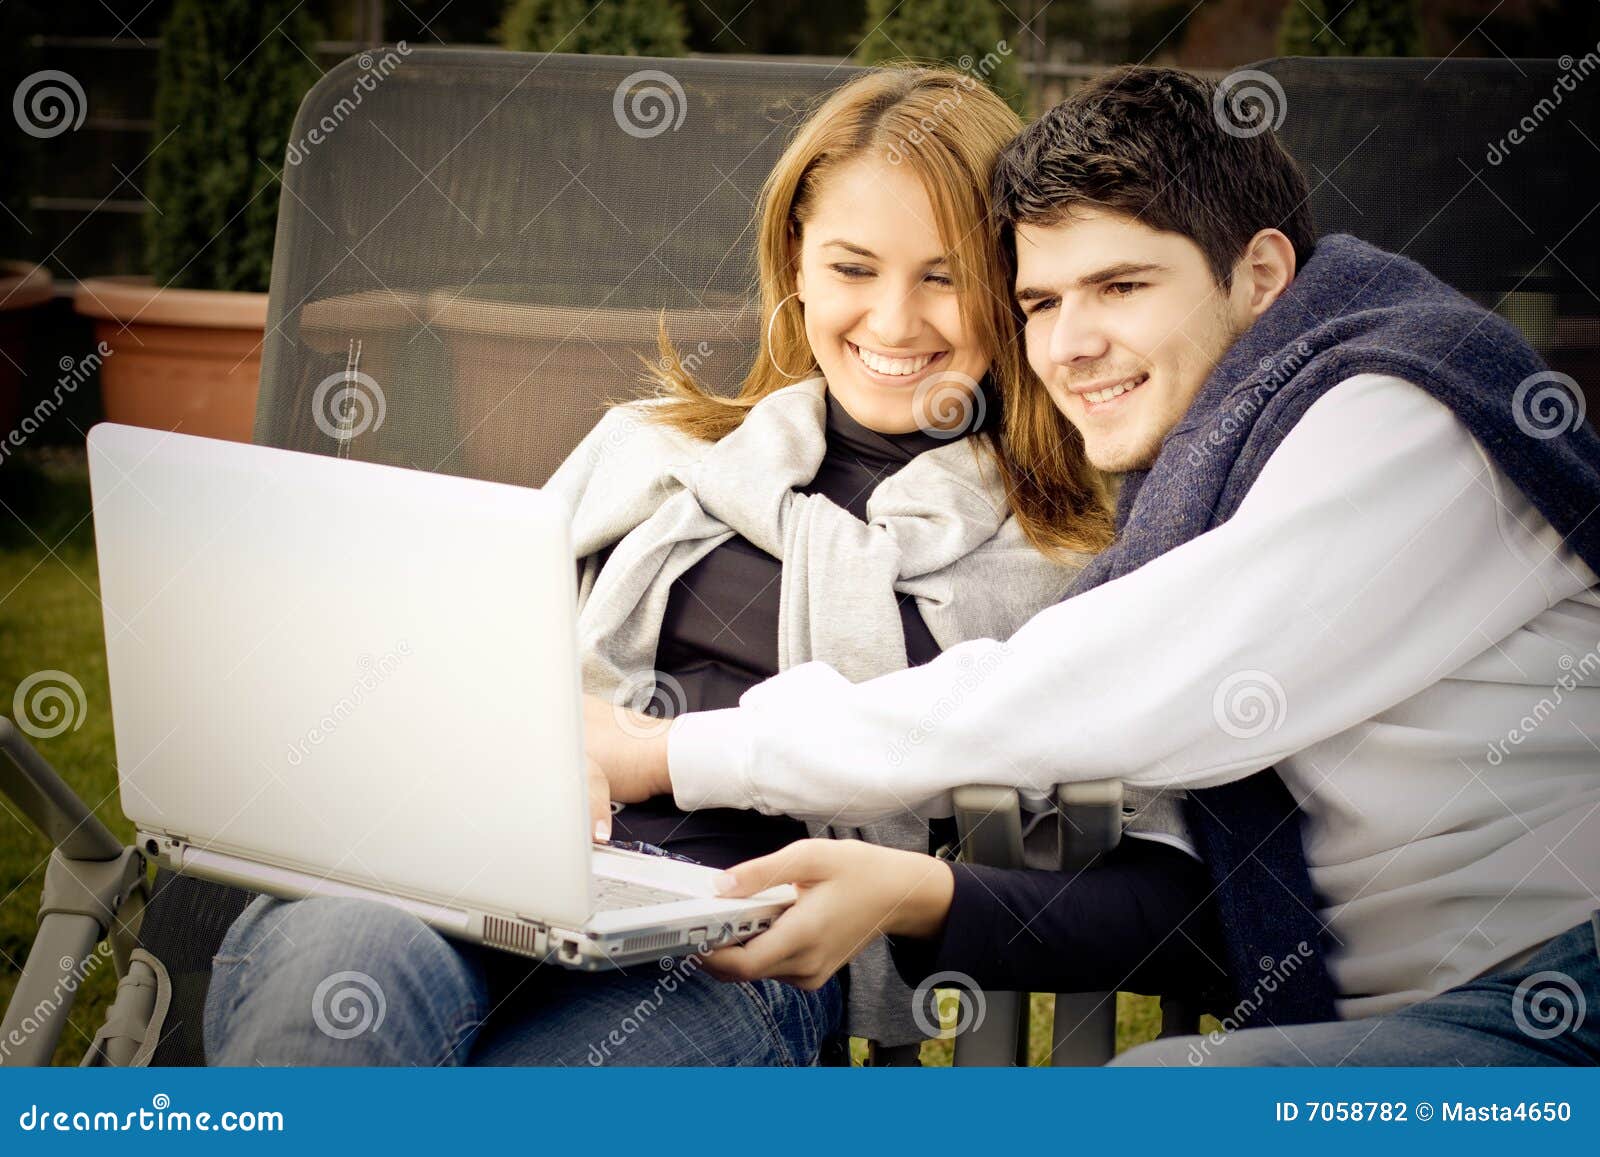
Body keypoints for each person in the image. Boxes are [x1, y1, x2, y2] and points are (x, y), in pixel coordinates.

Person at [587, 65, 1600, 1066]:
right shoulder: (1225, 472)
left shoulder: (1391, 418)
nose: (1069, 344)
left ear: (1258, 277)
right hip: (1409, 1017)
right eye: (1040, 300)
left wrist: (668, 751)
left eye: (1120, 285)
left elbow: (1086, 686)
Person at [204, 65, 1198, 1067]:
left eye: (943, 276)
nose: (895, 323)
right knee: (338, 983)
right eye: (853, 268)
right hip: (475, 865)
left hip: (730, 939)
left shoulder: (1063, 556)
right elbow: (439, 665)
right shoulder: (648, 450)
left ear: (1009, 283)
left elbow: (1162, 881)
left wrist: (901, 890)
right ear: (795, 263)